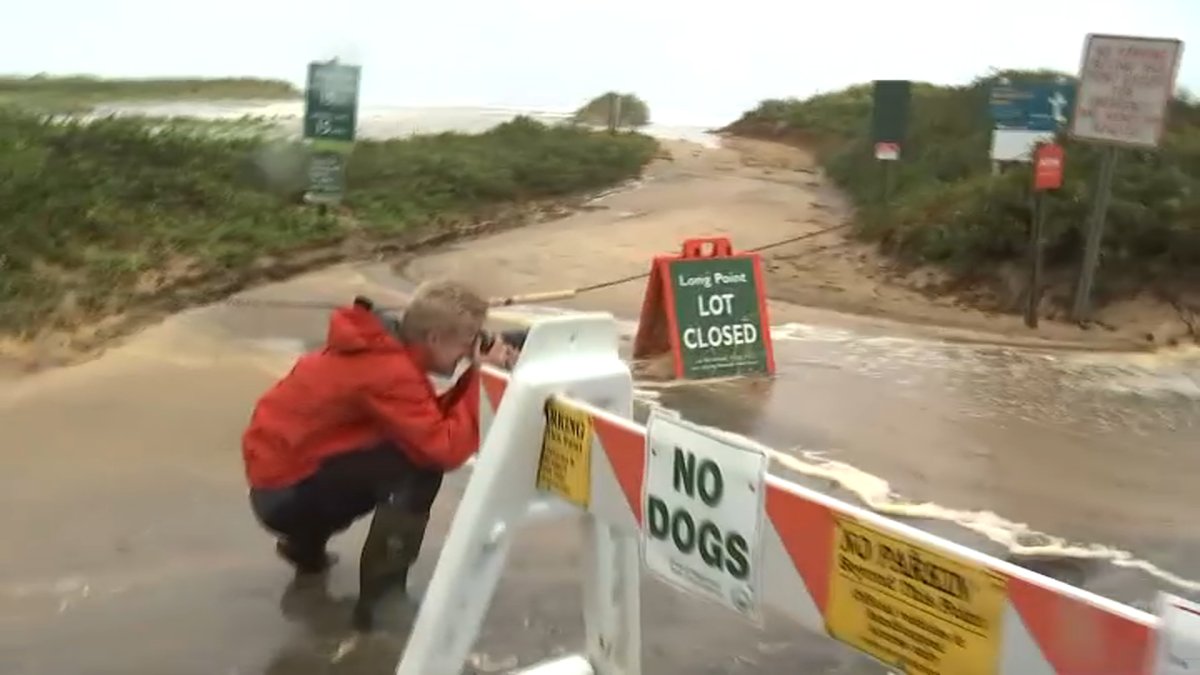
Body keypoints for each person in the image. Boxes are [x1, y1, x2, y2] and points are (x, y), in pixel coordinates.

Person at [240, 279, 521, 632]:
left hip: (278, 481)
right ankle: (383, 597)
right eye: (468, 341)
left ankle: (304, 547)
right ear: (434, 338)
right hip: (287, 496)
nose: (470, 351)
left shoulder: (378, 349)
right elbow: (444, 450)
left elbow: (421, 421)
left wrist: (475, 376)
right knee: (417, 468)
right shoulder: (389, 371)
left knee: (400, 449)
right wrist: (484, 377)